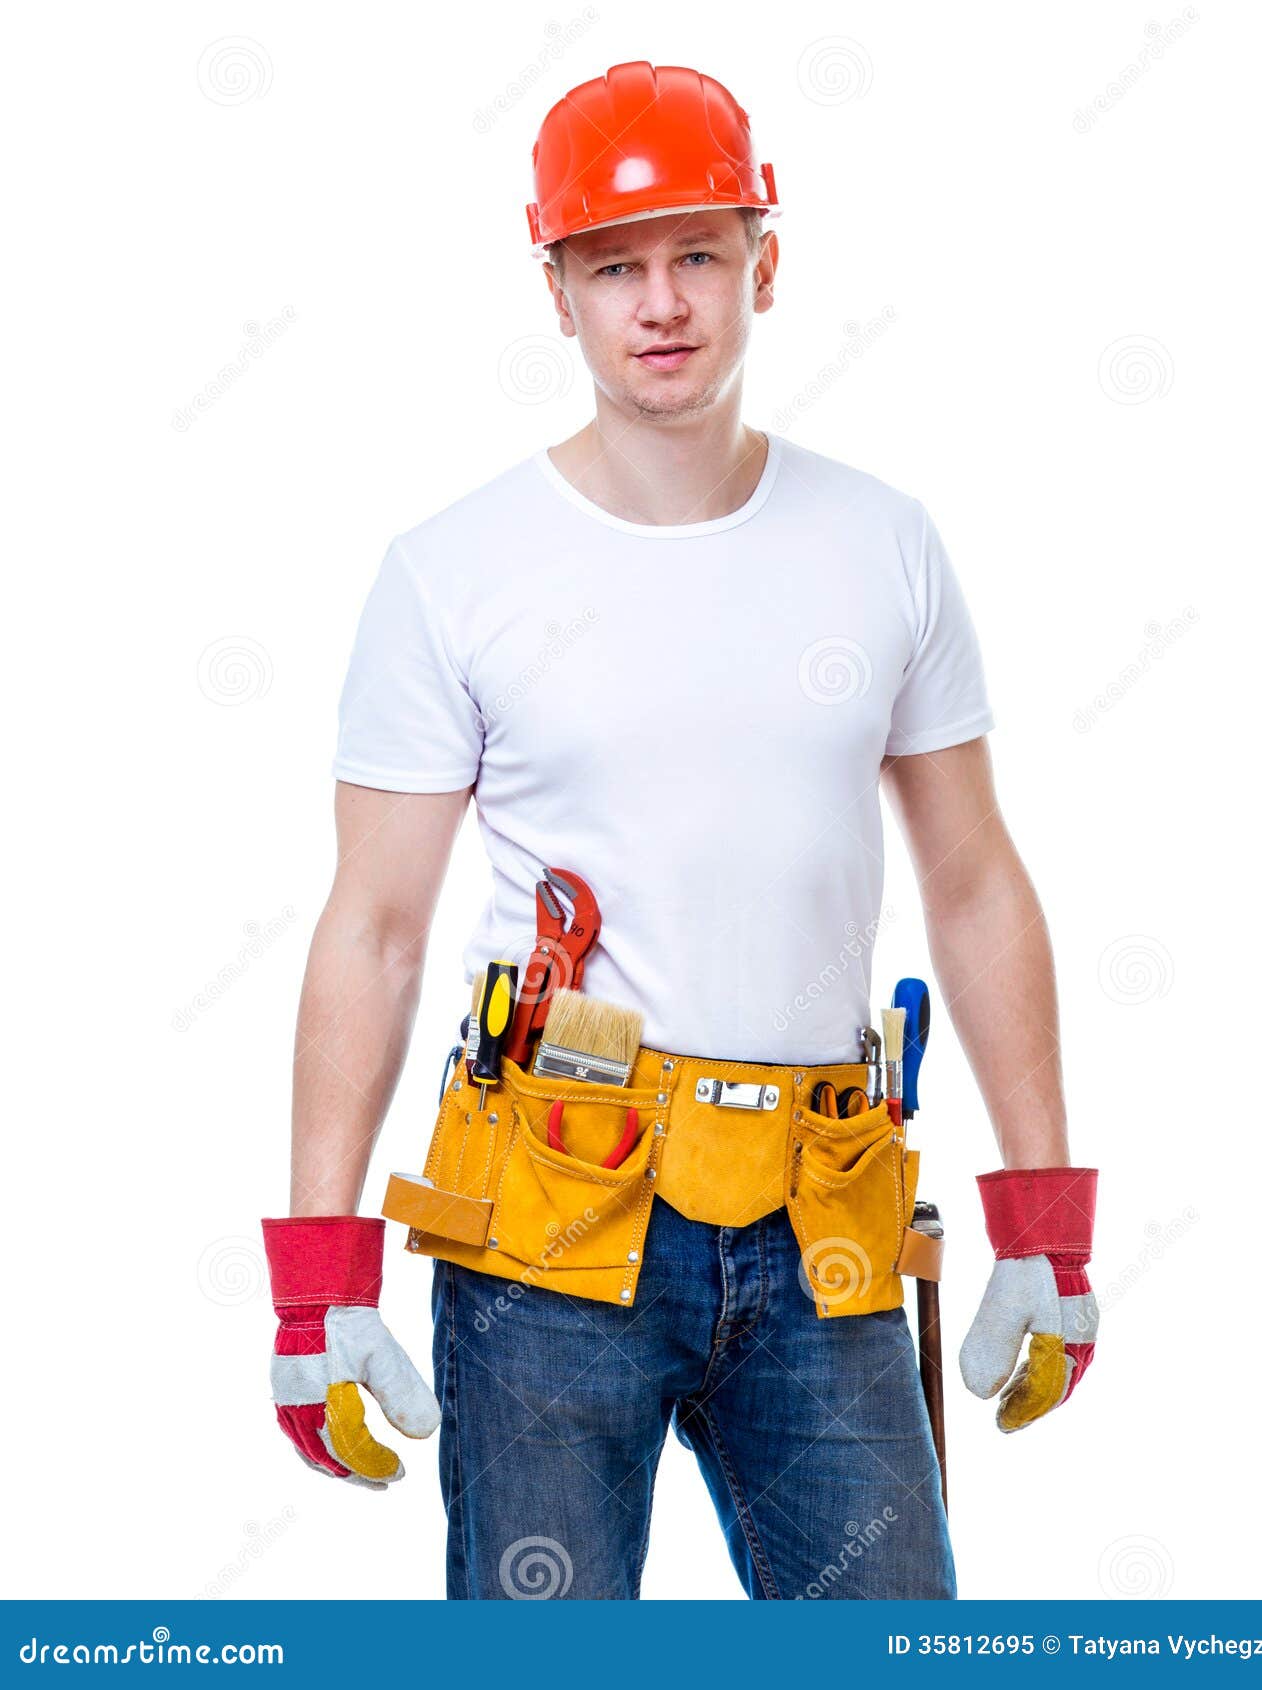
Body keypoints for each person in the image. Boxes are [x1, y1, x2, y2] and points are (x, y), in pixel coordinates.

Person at [261, 60, 1100, 1602]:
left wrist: (1045, 1218)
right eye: (616, 266)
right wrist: (318, 1277)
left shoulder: (881, 543)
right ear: (560, 288)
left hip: (821, 1223)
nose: (663, 301)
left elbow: (975, 883)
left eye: (699, 254)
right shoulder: (456, 570)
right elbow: (371, 928)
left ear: (764, 264)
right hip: (549, 1240)